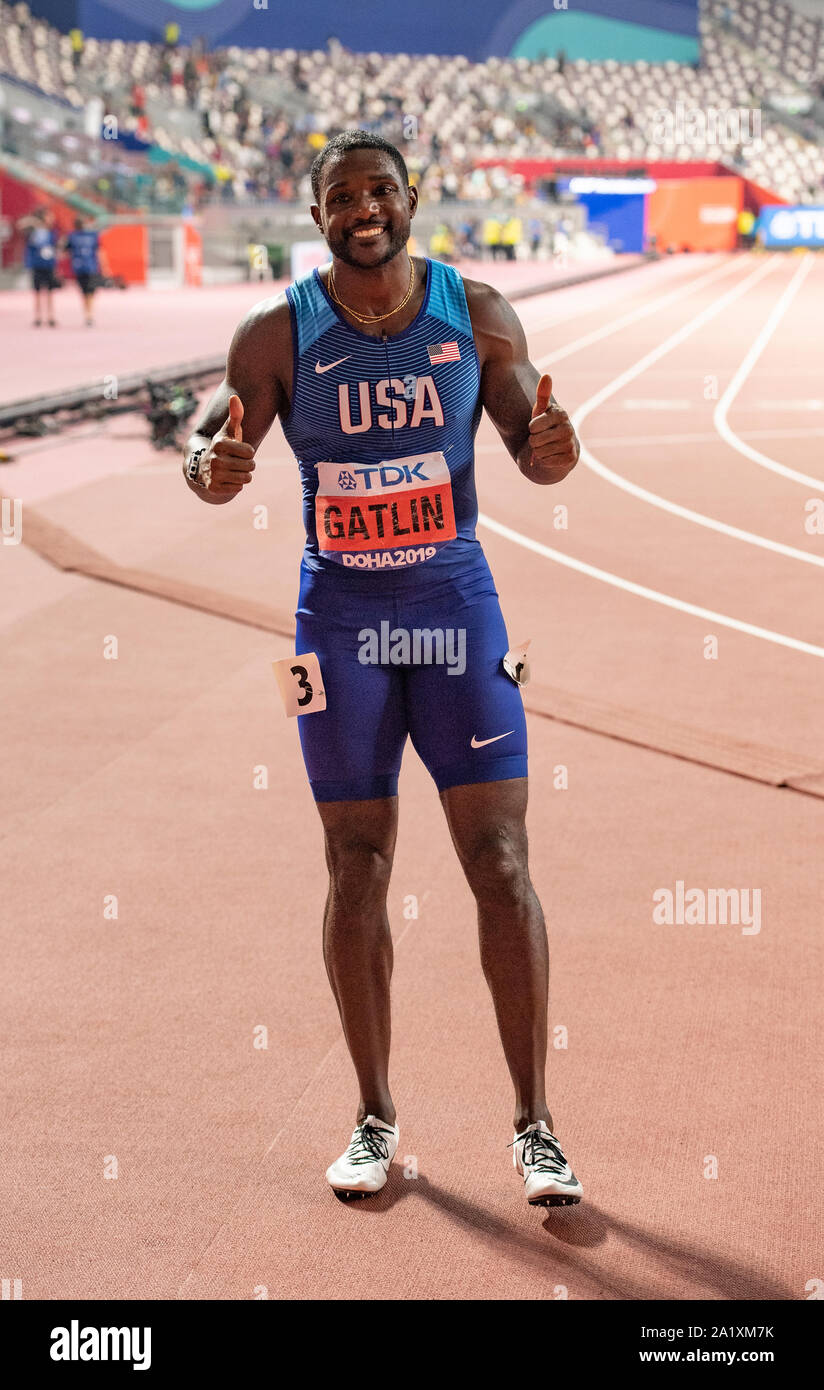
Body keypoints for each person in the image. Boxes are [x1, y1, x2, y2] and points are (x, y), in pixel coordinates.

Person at [181, 131, 583, 1208]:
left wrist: (552, 447)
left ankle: (535, 1125)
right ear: (315, 216)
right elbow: (214, 439)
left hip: (457, 612)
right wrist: (202, 464)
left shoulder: (479, 311)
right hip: (337, 627)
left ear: (412, 198)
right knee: (353, 864)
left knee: (498, 860)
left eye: (380, 190)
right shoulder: (277, 332)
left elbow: (531, 443)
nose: (364, 208)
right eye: (342, 196)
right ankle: (372, 1112)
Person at [19, 208, 59, 327]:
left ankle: (51, 316)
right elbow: (21, 224)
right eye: (49, 216)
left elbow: (54, 248)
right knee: (37, 292)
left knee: (50, 292)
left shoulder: (52, 232)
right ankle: (38, 316)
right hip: (37, 265)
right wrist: (35, 222)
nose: (51, 219)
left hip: (49, 265)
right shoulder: (33, 231)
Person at [63, 216, 102, 326]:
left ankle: (88, 314)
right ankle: (89, 314)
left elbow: (65, 252)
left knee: (86, 293)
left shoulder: (73, 236)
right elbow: (99, 252)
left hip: (81, 267)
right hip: (89, 267)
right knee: (89, 293)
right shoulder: (89, 236)